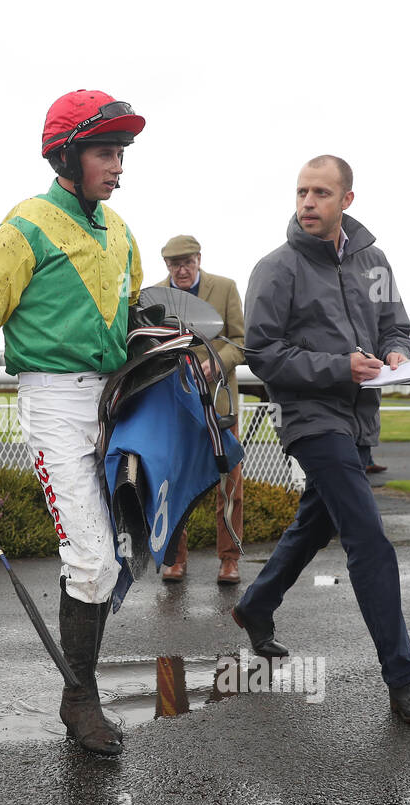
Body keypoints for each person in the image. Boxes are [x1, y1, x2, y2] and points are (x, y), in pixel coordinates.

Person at [0, 89, 145, 755]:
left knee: (116, 558)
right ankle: (79, 700)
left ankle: (78, 686)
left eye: (121, 153)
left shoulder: (120, 232)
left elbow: (134, 318)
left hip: (115, 404)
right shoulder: (24, 225)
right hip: (54, 403)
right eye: (105, 152)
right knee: (90, 557)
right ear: (67, 155)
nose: (117, 165)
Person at [233, 154, 410, 724]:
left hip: (360, 417)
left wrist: (398, 352)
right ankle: (406, 682)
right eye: (302, 191)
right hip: (310, 418)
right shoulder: (275, 268)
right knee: (367, 536)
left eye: (322, 193)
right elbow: (262, 353)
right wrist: (339, 368)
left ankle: (255, 604)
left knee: (318, 520)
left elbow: (394, 325)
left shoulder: (373, 261)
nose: (308, 202)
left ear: (346, 200)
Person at [157, 234, 247, 585]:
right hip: (175, 404)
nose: (180, 270)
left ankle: (229, 560)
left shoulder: (225, 288)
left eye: (186, 262)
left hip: (219, 404)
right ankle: (175, 559)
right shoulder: (155, 295)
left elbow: (240, 343)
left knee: (230, 486)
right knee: (174, 482)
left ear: (198, 259)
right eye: (173, 264)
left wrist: (215, 362)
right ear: (166, 265)